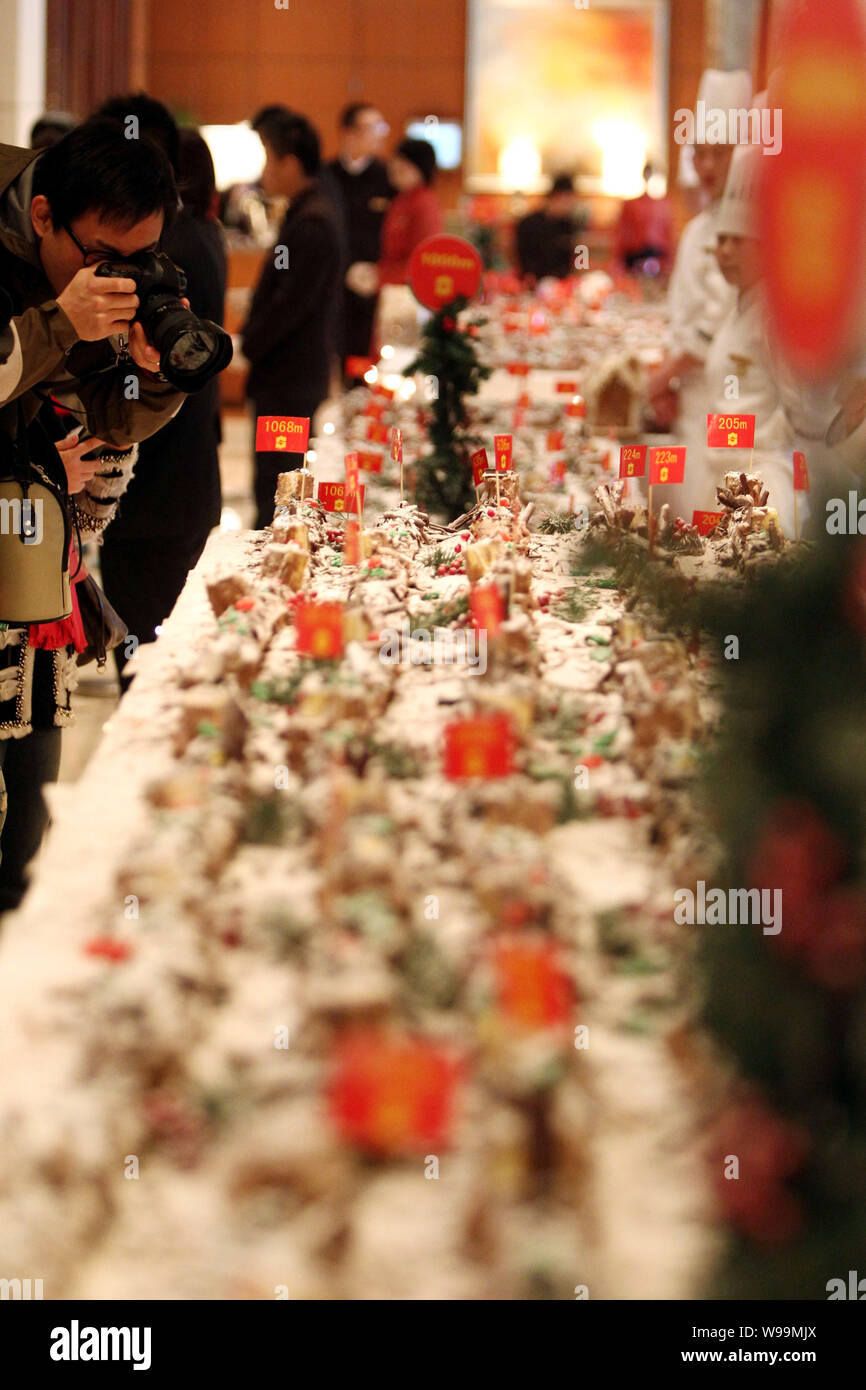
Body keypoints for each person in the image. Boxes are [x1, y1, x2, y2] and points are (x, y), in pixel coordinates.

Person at [0, 118, 188, 912]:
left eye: (139, 258)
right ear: (44, 215)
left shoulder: (92, 269)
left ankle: (20, 894)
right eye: (106, 260)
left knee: (37, 716)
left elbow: (114, 416)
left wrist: (156, 376)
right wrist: (56, 325)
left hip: (31, 539)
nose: (120, 277)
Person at [92, 97, 227, 689]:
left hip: (151, 488)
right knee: (168, 654)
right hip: (185, 480)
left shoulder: (162, 253)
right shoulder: (203, 234)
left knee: (147, 661)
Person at [242, 108, 342, 529]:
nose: (265, 170)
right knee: (277, 481)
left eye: (269, 158)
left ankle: (274, 570)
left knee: (279, 487)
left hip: (289, 380)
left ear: (291, 163)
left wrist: (249, 342)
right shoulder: (307, 212)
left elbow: (290, 306)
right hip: (289, 377)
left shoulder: (313, 221)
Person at [647, 69, 752, 432]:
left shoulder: (746, 232)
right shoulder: (696, 228)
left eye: (719, 154)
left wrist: (662, 378)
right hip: (689, 391)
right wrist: (668, 377)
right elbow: (682, 313)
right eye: (700, 154)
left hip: (724, 395)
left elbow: (718, 319)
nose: (707, 165)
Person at [323, 103, 393, 381]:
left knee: (365, 360)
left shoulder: (386, 176)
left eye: (380, 128)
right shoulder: (325, 176)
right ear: (348, 133)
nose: (379, 135)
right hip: (333, 281)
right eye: (371, 128)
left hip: (372, 284)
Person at [515, 174, 580, 282]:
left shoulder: (568, 225)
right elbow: (523, 261)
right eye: (569, 201)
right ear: (557, 197)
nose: (571, 206)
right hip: (533, 283)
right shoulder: (529, 224)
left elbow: (572, 260)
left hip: (561, 285)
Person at [614, 162, 673, 277]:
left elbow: (668, 235)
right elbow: (622, 234)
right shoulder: (630, 205)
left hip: (656, 256)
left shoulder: (662, 205)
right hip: (635, 256)